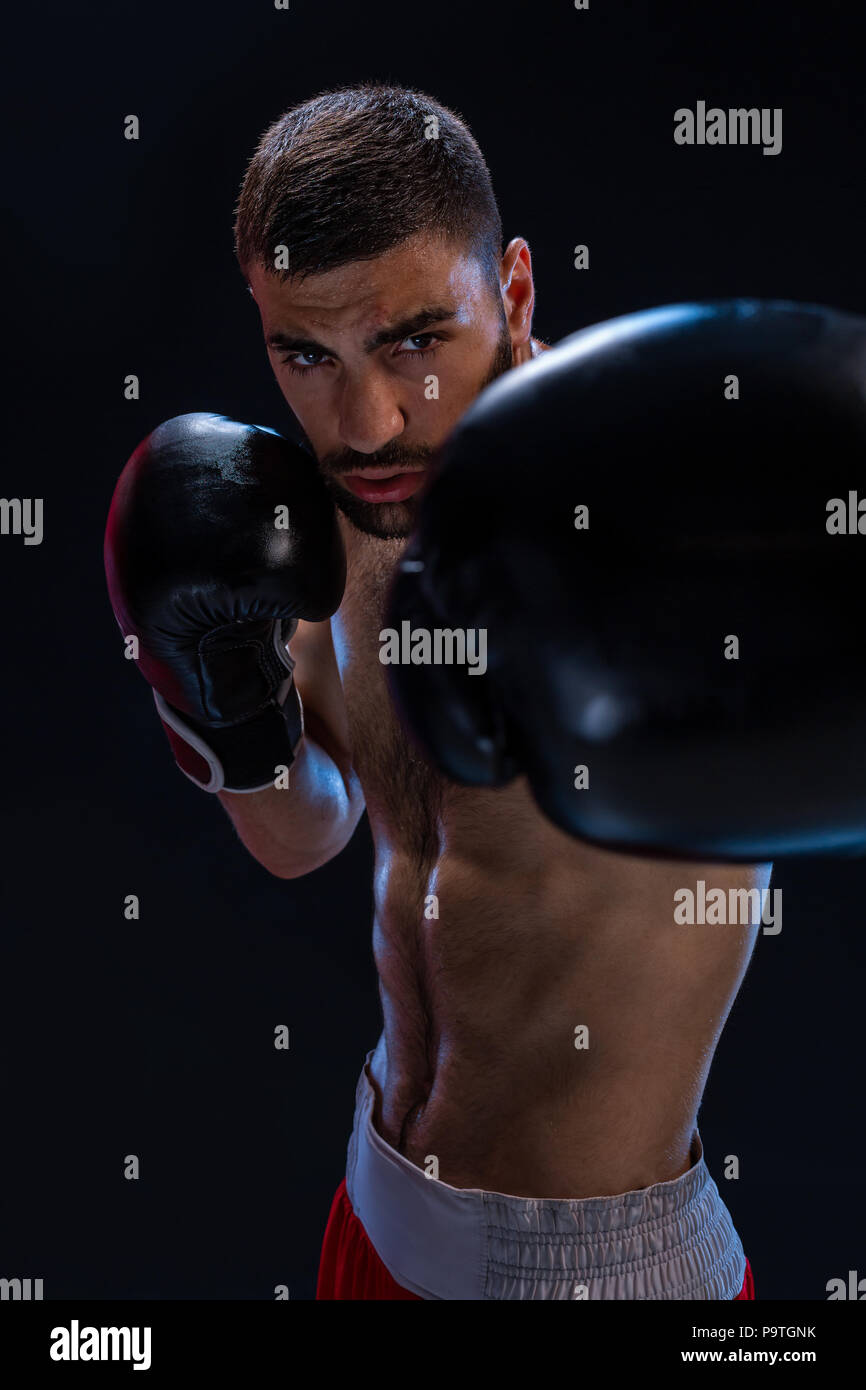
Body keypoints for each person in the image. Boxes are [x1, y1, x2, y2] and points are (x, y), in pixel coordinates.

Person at [106, 85, 773, 1299]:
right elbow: (311, 832)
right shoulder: (353, 508)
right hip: (373, 1214)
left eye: (414, 340)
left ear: (511, 293)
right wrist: (209, 698)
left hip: (594, 1273)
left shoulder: (652, 521)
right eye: (307, 355)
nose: (364, 422)